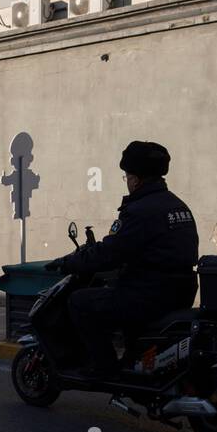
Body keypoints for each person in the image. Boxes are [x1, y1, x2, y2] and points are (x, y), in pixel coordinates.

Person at [46, 140, 199, 376]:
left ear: (135, 180)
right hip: (180, 291)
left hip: (149, 294)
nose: (126, 181)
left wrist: (68, 263)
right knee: (118, 298)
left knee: (80, 302)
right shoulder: (179, 206)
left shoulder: (139, 210)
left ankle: (103, 367)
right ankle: (131, 358)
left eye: (126, 176)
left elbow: (110, 253)